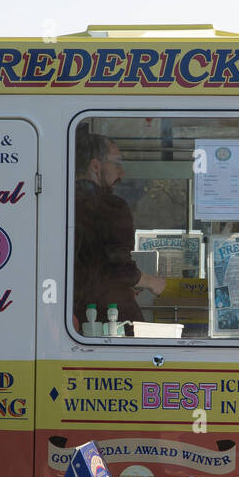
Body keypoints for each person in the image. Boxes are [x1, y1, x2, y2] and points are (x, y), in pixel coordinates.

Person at [73, 127, 166, 328]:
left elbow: (92, 267)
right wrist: (152, 282)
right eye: (117, 164)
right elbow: (119, 267)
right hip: (107, 323)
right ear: (96, 166)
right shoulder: (110, 207)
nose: (121, 173)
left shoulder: (62, 204)